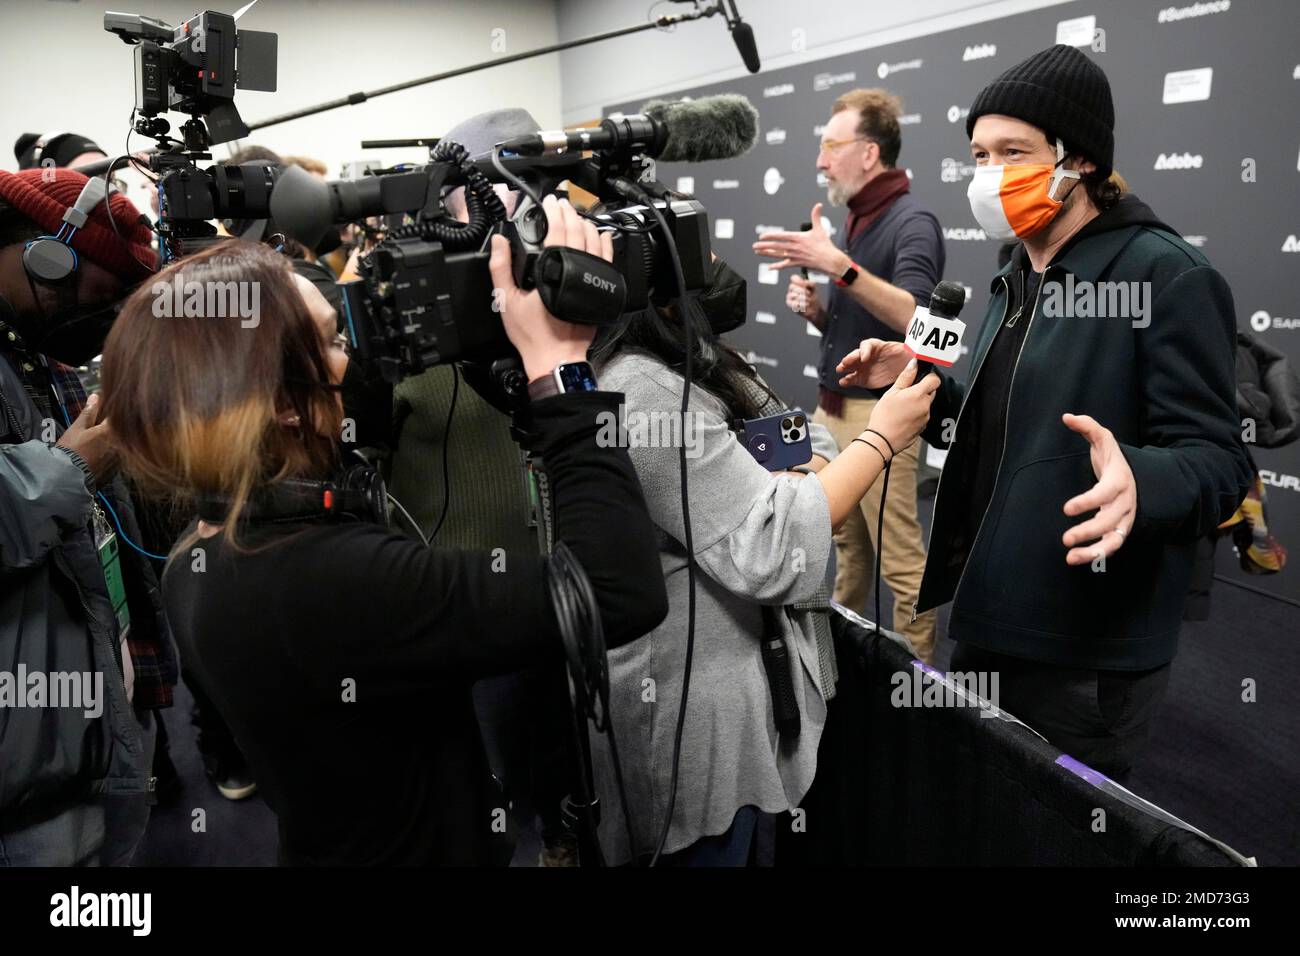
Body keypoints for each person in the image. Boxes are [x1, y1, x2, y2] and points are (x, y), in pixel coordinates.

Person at [98, 197, 668, 865]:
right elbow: (615, 593)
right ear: (282, 403)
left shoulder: (203, 547)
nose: (350, 364)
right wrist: (560, 371)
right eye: (334, 342)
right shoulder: (332, 575)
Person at [837, 45, 1252, 783]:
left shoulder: (1166, 274)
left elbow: (1221, 462)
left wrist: (1141, 480)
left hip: (1083, 648)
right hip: (990, 613)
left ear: (1080, 160)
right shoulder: (1011, 272)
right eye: (980, 153)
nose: (990, 173)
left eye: (1014, 151)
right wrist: (924, 383)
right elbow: (998, 424)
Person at [588, 252, 940, 865]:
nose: (720, 266)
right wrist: (881, 439)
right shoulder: (640, 389)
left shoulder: (705, 359)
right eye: (701, 252)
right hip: (689, 714)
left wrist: (800, 479)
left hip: (751, 694)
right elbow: (772, 544)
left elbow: (807, 439)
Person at [0, 167, 175, 866]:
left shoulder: (25, 350)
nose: (97, 329)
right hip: (24, 770)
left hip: (80, 721)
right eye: (98, 303)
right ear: (46, 258)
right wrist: (68, 471)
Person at [753, 88, 945, 662]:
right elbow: (866, 322)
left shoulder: (913, 220)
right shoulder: (859, 218)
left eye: (830, 146)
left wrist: (838, 264)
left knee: (900, 559)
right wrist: (820, 311)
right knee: (845, 547)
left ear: (868, 152)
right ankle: (847, 665)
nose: (819, 160)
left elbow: (917, 318)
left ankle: (924, 696)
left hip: (881, 412)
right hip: (832, 408)